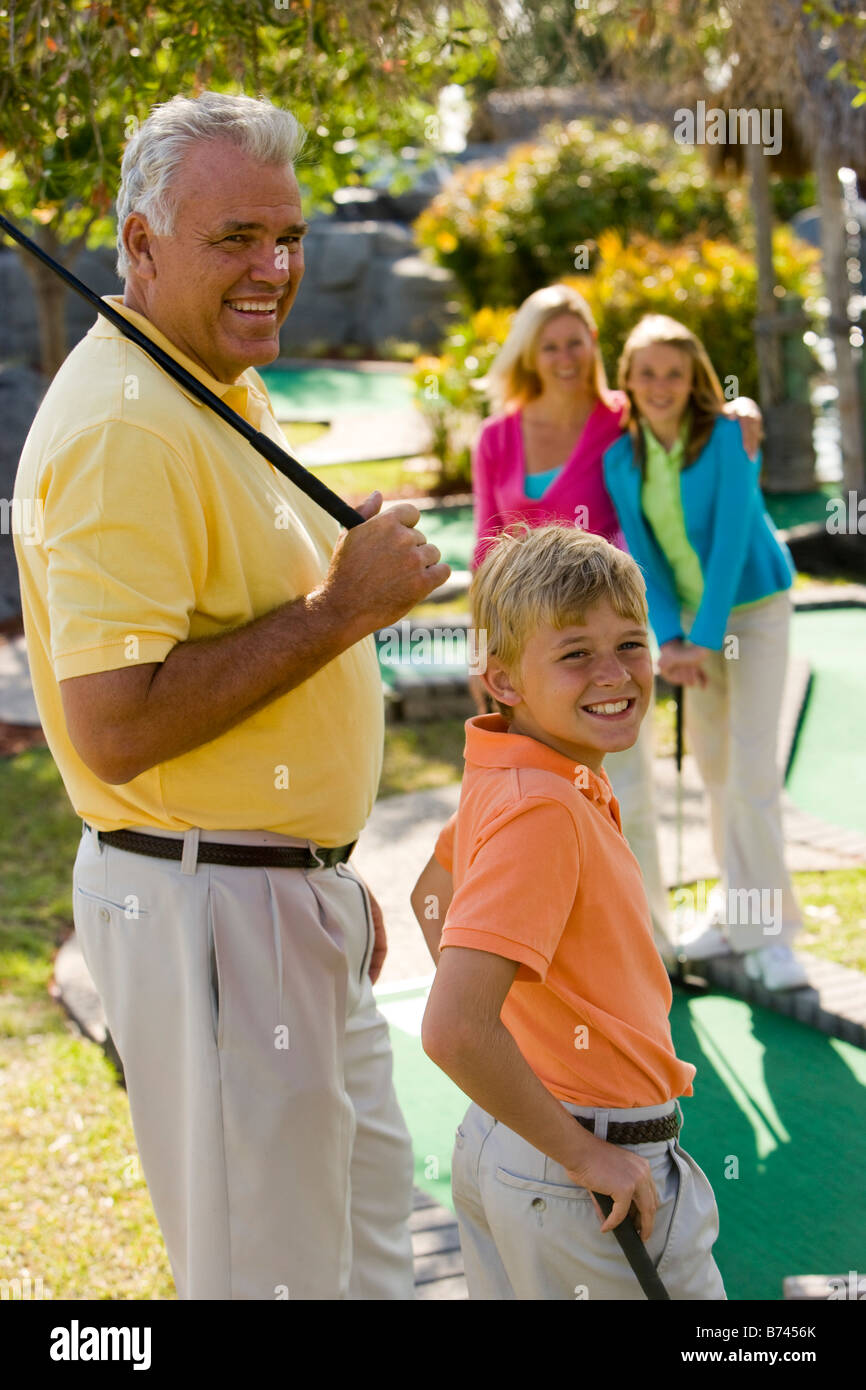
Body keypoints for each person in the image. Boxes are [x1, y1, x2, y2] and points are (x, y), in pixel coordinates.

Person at [12, 92, 451, 1300]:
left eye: (289, 235)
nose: (275, 268)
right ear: (140, 247)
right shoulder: (120, 425)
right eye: (234, 239)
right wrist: (339, 609)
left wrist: (309, 869)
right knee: (269, 1280)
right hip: (208, 911)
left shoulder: (207, 376)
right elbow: (118, 721)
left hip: (269, 896)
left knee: (356, 1263)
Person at [412, 524, 726, 1300]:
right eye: (576, 653)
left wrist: (526, 1035)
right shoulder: (543, 807)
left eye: (631, 643)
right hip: (584, 1165)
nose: (615, 673)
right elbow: (453, 1028)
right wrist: (584, 1154)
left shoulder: (511, 767)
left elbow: (432, 895)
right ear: (505, 680)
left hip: (509, 1145)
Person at [468, 284, 761, 963]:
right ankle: (563, 945)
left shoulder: (619, 419)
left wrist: (741, 407)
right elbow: (486, 549)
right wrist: (481, 653)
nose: (567, 356)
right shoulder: (498, 436)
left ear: (596, 349)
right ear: (530, 353)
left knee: (625, 790)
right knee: (541, 792)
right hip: (526, 650)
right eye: (552, 344)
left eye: (579, 342)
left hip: (606, 643)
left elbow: (692, 405)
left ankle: (649, 945)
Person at [602, 314, 805, 991]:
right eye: (648, 372)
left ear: (695, 381)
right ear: (627, 377)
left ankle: (772, 935)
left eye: (675, 373)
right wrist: (671, 640)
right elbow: (648, 561)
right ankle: (735, 912)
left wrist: (704, 639)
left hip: (754, 608)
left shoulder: (729, 437)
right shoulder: (620, 459)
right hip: (690, 623)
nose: (661, 386)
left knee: (750, 769)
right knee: (716, 768)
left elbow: (729, 543)